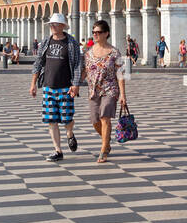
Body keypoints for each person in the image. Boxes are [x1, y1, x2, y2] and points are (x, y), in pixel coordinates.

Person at [29, 12, 83, 161]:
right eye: (51, 24)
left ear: (62, 26)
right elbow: (38, 63)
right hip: (48, 87)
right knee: (51, 120)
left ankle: (70, 134)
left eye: (55, 24)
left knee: (67, 119)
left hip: (66, 87)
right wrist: (33, 84)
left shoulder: (71, 43)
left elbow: (78, 65)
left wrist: (76, 84)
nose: (52, 27)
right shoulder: (46, 42)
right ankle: (58, 151)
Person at [85, 19, 126, 164]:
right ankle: (107, 141)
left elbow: (121, 74)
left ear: (106, 33)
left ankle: (103, 150)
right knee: (95, 120)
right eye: (93, 32)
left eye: (98, 32)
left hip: (110, 89)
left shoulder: (115, 52)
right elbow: (85, 71)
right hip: (93, 90)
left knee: (105, 118)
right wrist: (74, 85)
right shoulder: (89, 53)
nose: (95, 35)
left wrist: (122, 95)